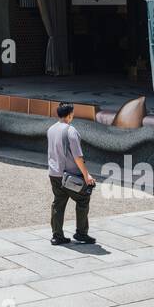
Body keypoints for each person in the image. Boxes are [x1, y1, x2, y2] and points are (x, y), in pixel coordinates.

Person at [46, 103, 96, 246]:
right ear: (69, 115)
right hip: (69, 175)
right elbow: (77, 157)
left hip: (53, 173)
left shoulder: (51, 129)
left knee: (58, 202)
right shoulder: (70, 131)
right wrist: (87, 175)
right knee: (83, 199)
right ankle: (81, 233)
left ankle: (57, 235)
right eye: (72, 114)